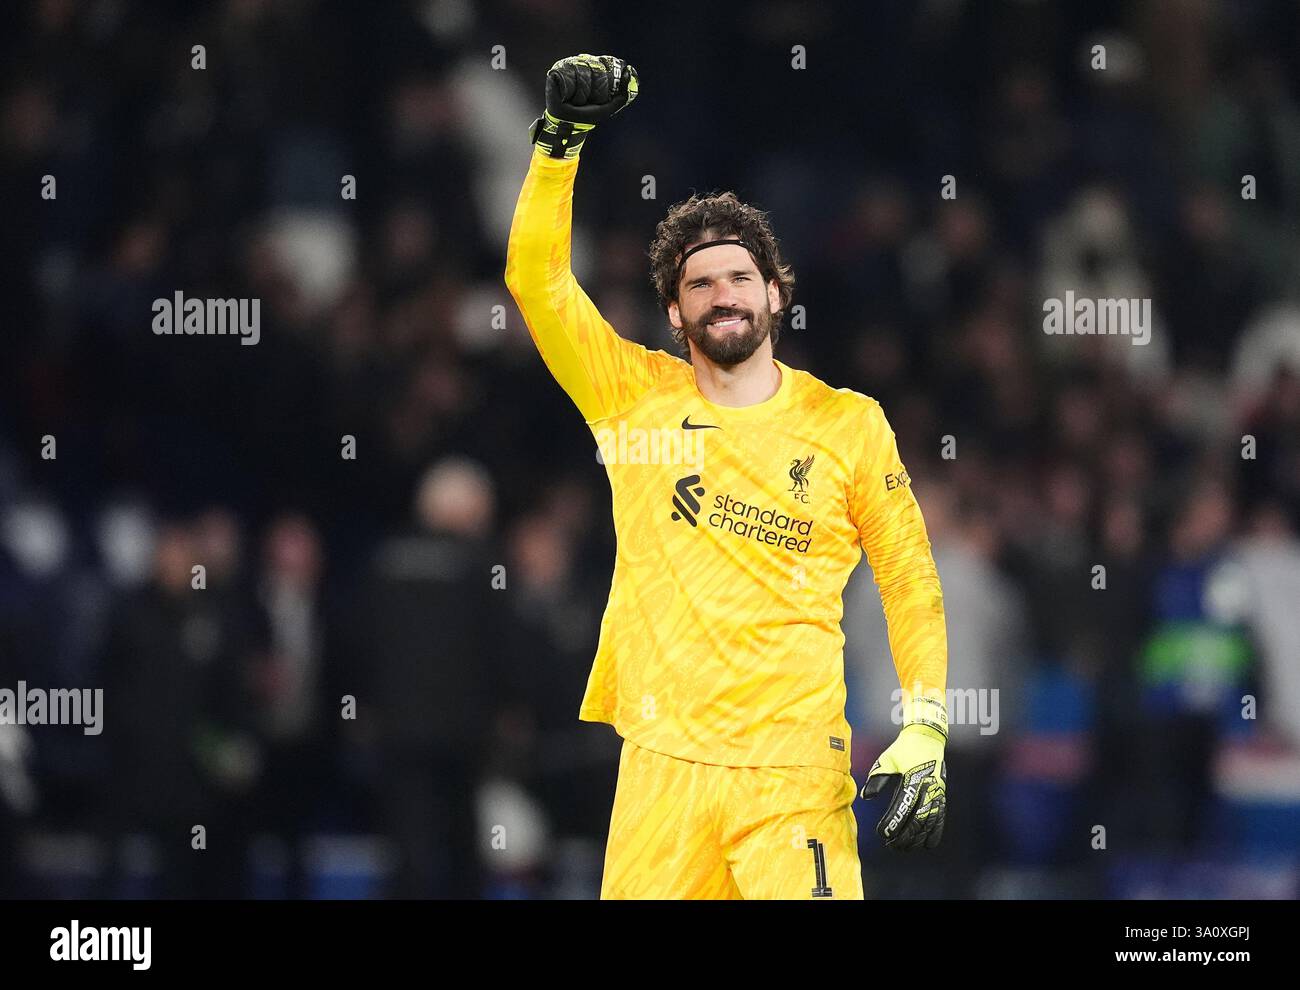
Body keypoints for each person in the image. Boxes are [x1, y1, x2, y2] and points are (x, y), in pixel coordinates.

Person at [504, 55, 950, 899]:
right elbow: (537, 282)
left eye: (740, 277)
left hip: (792, 775)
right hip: (661, 769)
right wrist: (557, 147)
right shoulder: (631, 397)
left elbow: (909, 578)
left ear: (777, 296)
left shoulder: (849, 424)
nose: (723, 294)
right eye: (699, 282)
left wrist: (925, 720)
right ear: (674, 313)